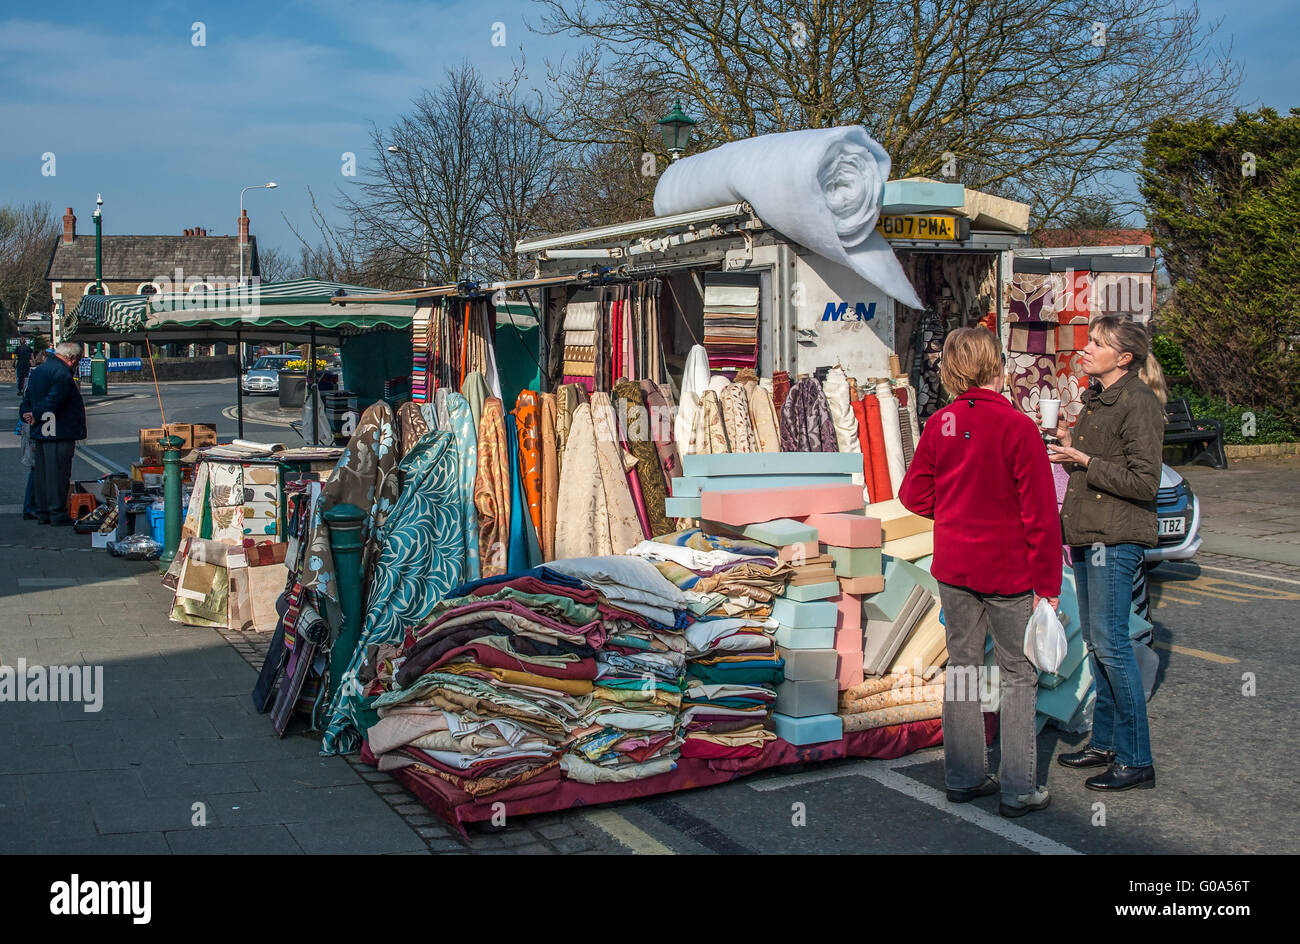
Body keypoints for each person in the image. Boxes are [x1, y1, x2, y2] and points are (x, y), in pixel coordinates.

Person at [900, 327, 1062, 818]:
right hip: (1009, 569)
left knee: (963, 669)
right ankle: (1017, 787)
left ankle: (964, 775)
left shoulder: (941, 424)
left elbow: (912, 495)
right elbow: (1040, 514)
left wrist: (953, 510)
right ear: (997, 365)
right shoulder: (1018, 427)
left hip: (955, 567)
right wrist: (1049, 587)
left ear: (950, 370)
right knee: (1018, 674)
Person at [1048, 315, 1164, 792]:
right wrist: (1071, 446)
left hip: (1115, 539)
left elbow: (1144, 481)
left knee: (1114, 646)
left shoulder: (1139, 402)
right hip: (1088, 533)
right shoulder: (1097, 398)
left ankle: (1137, 759)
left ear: (1124, 357)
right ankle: (1106, 740)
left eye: (1097, 343)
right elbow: (1105, 461)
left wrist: (1084, 461)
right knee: (1100, 644)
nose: (1087, 348)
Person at [20, 341, 87, 525]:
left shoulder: (39, 370)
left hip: (40, 432)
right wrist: (37, 414)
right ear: (71, 358)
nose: (77, 364)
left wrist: (27, 414)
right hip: (59, 430)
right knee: (58, 474)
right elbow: (55, 399)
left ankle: (43, 513)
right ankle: (57, 513)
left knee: (42, 475)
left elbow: (27, 398)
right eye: (78, 360)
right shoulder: (62, 373)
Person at [19, 349, 48, 519]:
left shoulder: (31, 377)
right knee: (36, 467)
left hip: (29, 425)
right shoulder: (38, 379)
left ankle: (33, 506)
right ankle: (31, 507)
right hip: (34, 426)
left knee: (36, 467)